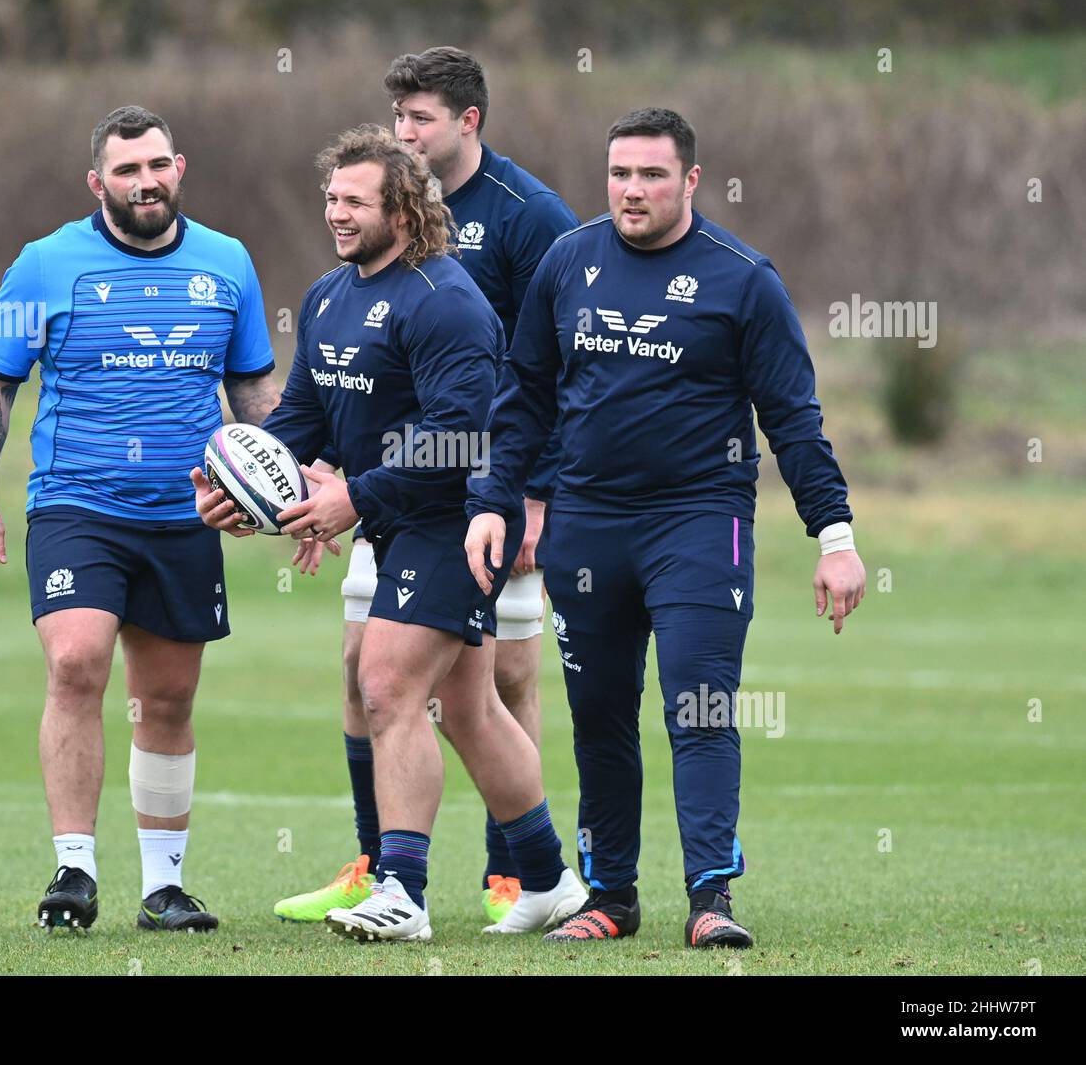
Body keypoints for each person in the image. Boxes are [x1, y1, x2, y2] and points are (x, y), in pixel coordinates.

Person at [465, 107, 866, 946]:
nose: (632, 190)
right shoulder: (568, 263)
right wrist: (496, 501)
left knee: (702, 705)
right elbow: (524, 394)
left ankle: (712, 897)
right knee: (600, 714)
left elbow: (793, 420)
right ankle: (611, 897)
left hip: (700, 523)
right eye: (619, 173)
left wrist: (835, 539)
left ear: (689, 180)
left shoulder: (741, 279)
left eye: (651, 175)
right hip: (587, 526)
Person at [194, 125, 585, 941]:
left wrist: (354, 500)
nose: (335, 213)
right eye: (331, 197)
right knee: (470, 710)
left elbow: (461, 437)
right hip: (397, 522)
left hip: (459, 521)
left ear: (402, 209)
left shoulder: (445, 302)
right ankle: (548, 882)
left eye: (353, 201)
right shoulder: (333, 295)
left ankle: (401, 889)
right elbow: (302, 418)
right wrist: (245, 486)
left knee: (387, 684)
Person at [0, 105, 279, 933]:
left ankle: (164, 888)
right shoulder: (45, 264)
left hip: (184, 511)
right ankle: (73, 872)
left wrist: (287, 493)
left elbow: (253, 395)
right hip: (77, 503)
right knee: (76, 662)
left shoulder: (228, 263)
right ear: (98, 182)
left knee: (167, 698)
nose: (145, 181)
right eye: (126, 170)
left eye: (157, 165)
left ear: (180, 169)